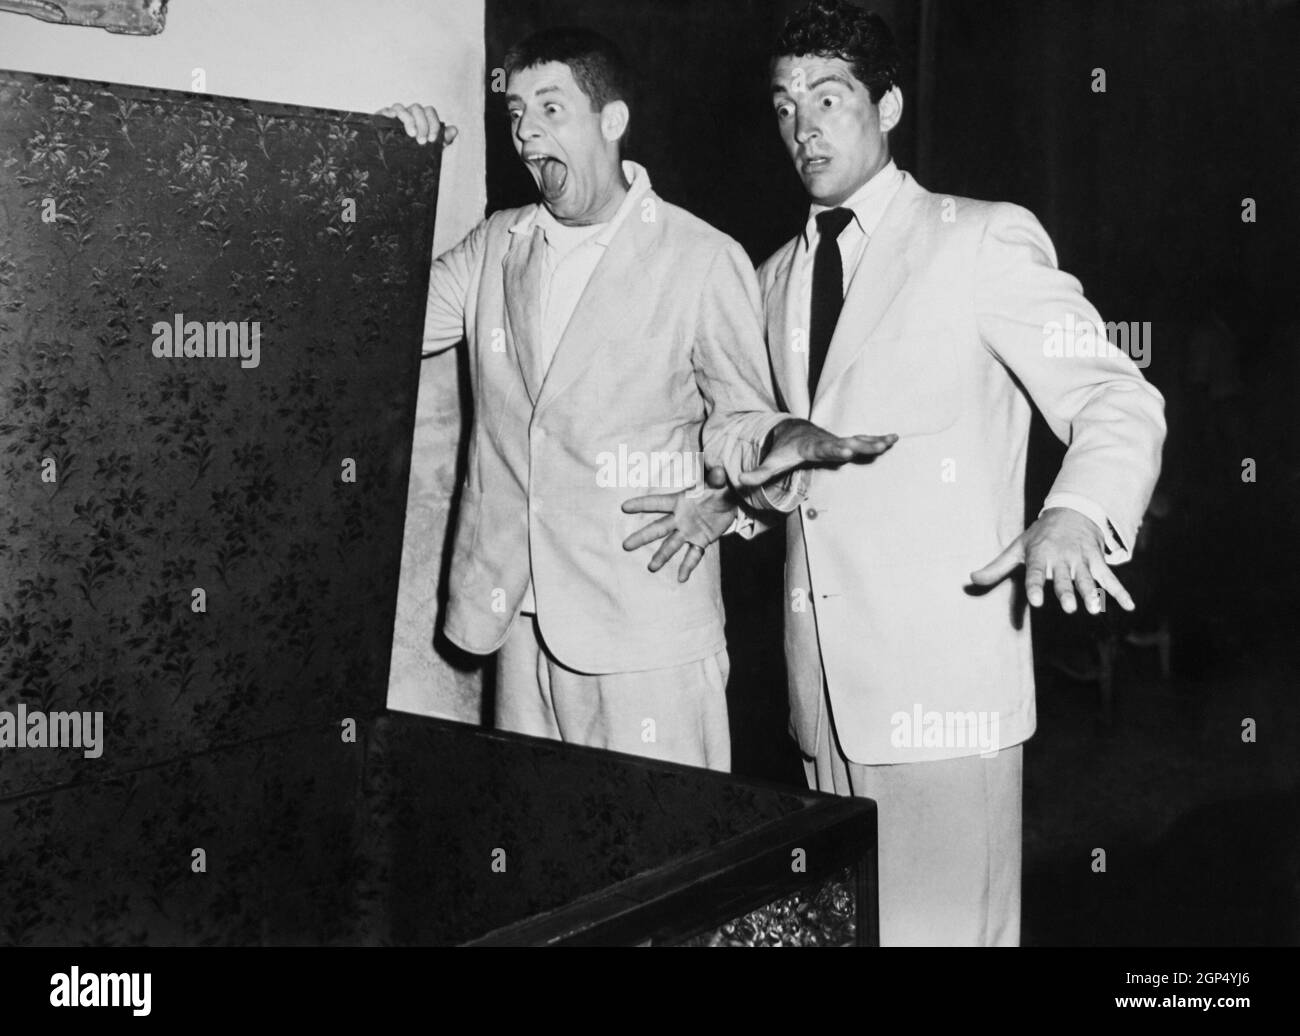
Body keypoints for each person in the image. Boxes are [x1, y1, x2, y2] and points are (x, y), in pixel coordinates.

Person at [630, 0, 1165, 944]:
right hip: (821, 701)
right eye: (785, 104)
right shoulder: (768, 280)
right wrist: (732, 504)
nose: (803, 126)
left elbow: (1116, 397)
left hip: (945, 692)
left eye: (828, 99)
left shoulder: (980, 241)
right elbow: (795, 459)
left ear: (888, 106)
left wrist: (1075, 513)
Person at [381, 27, 895, 772]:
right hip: (514, 622)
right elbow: (375, 323)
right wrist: (389, 174)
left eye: (551, 108)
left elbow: (739, 417)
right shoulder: (495, 246)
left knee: (665, 869)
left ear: (611, 120)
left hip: (645, 632)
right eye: (516, 111)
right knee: (541, 862)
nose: (525, 131)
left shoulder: (699, 256)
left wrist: (772, 453)